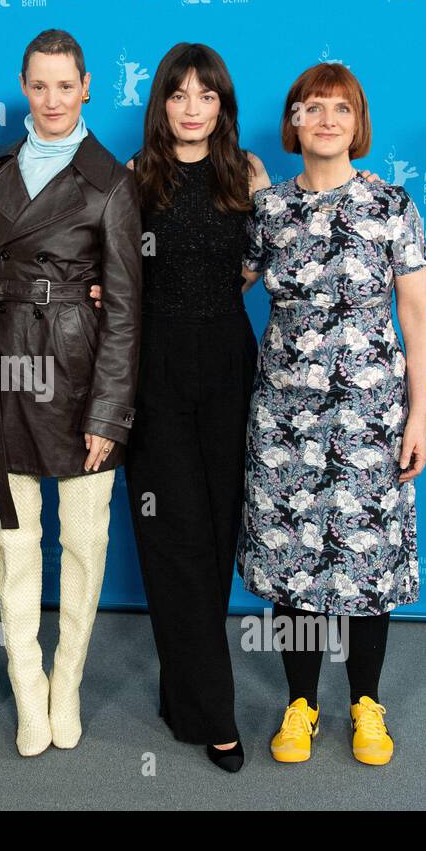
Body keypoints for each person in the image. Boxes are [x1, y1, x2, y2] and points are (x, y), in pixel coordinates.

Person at [237, 62, 426, 766]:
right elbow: (212, 282)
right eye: (312, 107)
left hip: (371, 413)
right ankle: (300, 705)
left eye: (341, 109)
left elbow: (418, 314)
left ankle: (366, 703)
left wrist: (418, 418)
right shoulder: (267, 211)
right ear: (293, 121)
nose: (326, 120)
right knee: (292, 559)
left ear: (358, 123)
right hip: (284, 413)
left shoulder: (391, 206)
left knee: (366, 560)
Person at [0, 29, 142, 756]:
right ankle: (27, 691)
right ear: (23, 84)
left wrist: (110, 411)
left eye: (64, 86)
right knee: (15, 543)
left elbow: (128, 309)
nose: (50, 100)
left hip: (79, 377)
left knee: (82, 542)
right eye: (37, 86)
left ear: (87, 86)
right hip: (4, 368)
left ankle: (66, 681)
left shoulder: (113, 181)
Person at [124, 43, 269, 773]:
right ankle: (217, 717)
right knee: (171, 538)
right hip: (152, 376)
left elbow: (253, 268)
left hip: (229, 368)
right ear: (162, 105)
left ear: (222, 106)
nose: (190, 108)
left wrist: (206, 304)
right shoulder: (135, 178)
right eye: (177, 95)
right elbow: (114, 279)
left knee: (216, 534)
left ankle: (185, 694)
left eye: (204, 96)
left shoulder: (247, 175)